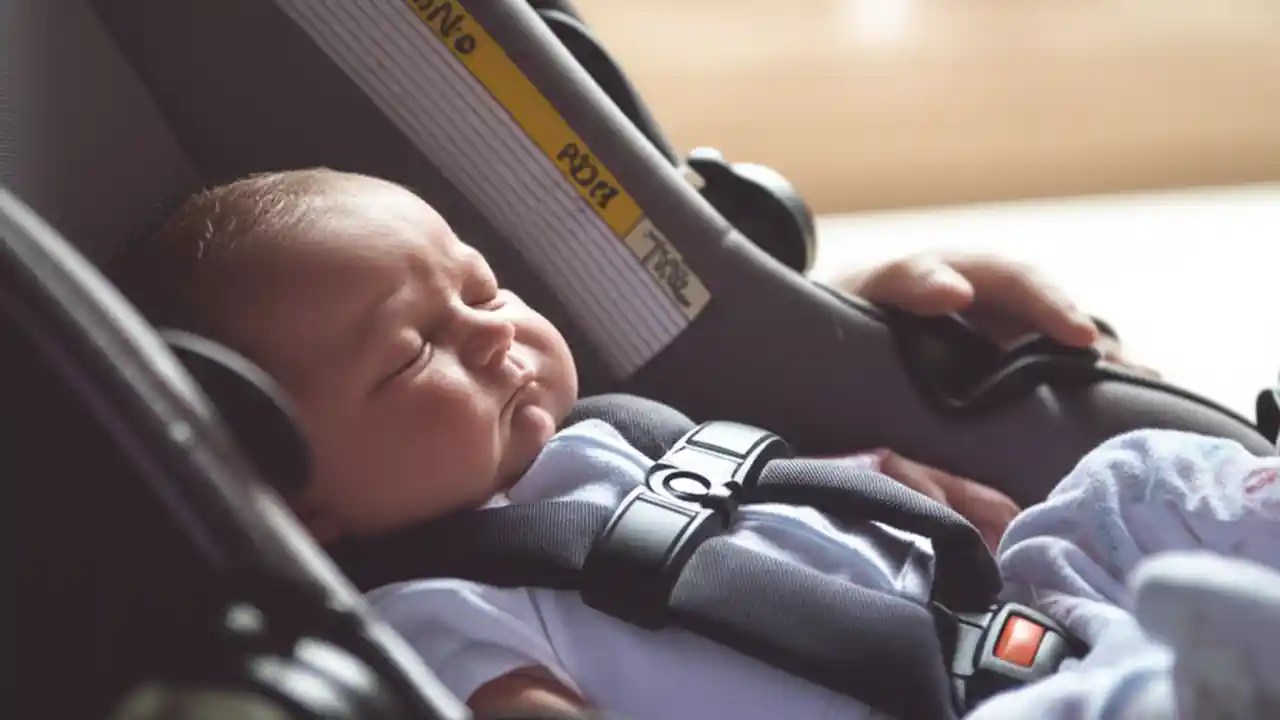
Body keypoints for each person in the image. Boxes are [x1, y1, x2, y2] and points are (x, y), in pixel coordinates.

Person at [109, 168, 1277, 719]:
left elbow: (774, 503)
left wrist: (879, 471)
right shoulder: (435, 610)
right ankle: (1207, 680)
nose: (494, 336)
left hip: (1027, 608)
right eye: (412, 354)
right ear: (291, 495)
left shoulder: (609, 435)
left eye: (482, 288)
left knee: (1136, 478)